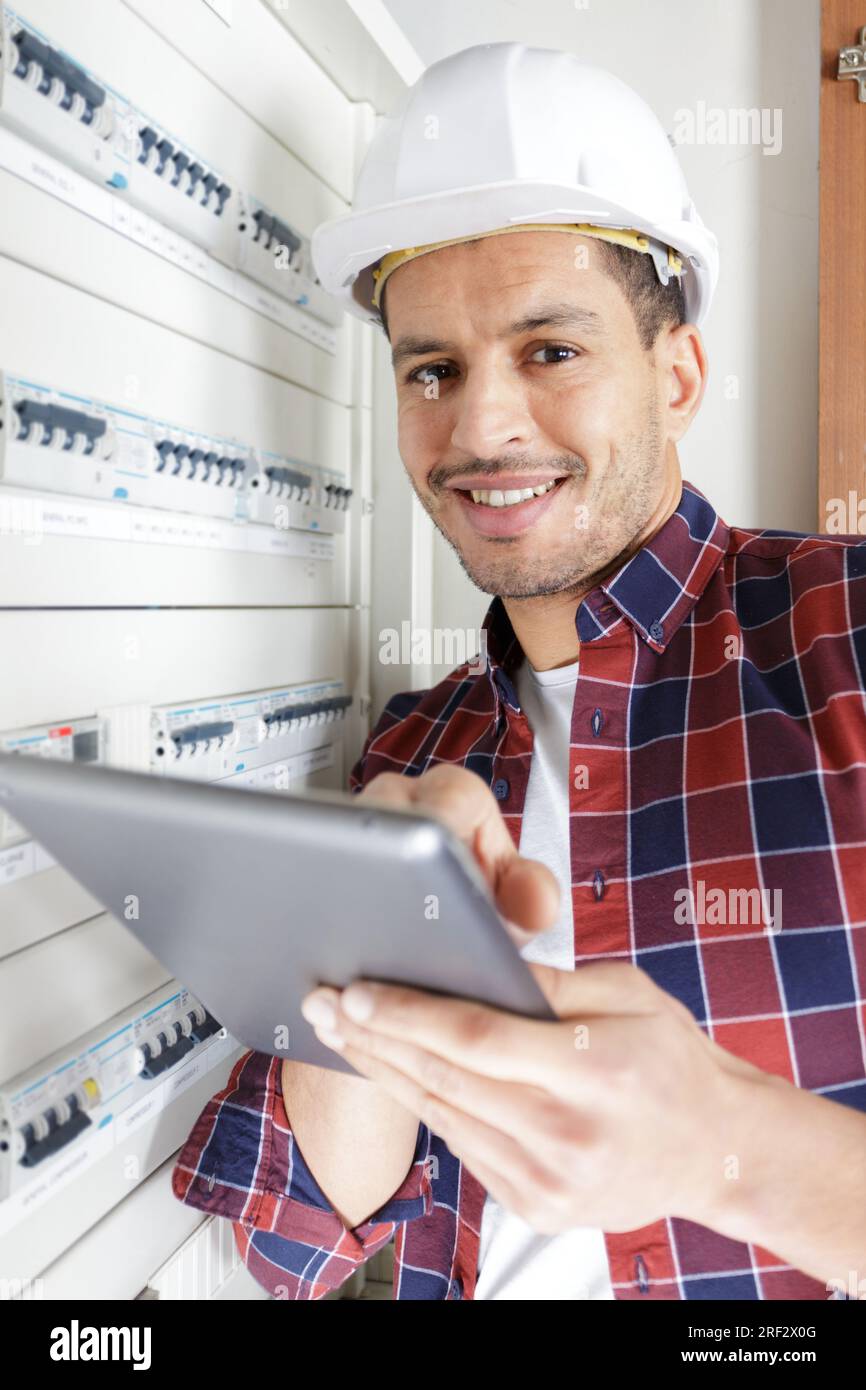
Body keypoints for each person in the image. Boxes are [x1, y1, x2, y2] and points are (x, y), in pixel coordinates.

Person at [172, 42, 866, 1301]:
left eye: (549, 351)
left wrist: (723, 1151)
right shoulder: (410, 758)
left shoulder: (845, 634)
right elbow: (300, 1242)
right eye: (430, 368)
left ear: (675, 375)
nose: (481, 426)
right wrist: (374, 933)